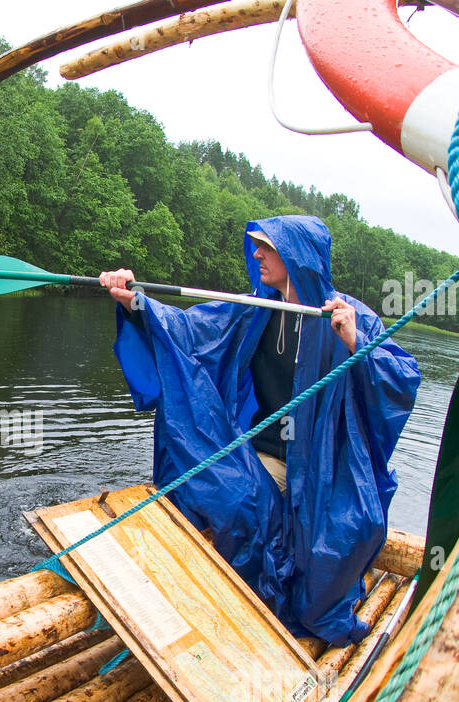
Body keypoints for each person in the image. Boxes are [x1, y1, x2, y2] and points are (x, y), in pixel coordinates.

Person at [100, 215, 420, 645]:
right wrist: (133, 301)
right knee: (211, 484)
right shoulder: (255, 310)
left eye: (266, 246)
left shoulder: (351, 315)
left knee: (327, 527)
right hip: (261, 454)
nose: (256, 254)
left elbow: (401, 380)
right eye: (255, 245)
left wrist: (354, 341)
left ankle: (266, 607)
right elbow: (190, 331)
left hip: (324, 468)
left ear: (298, 255)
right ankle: (201, 595)